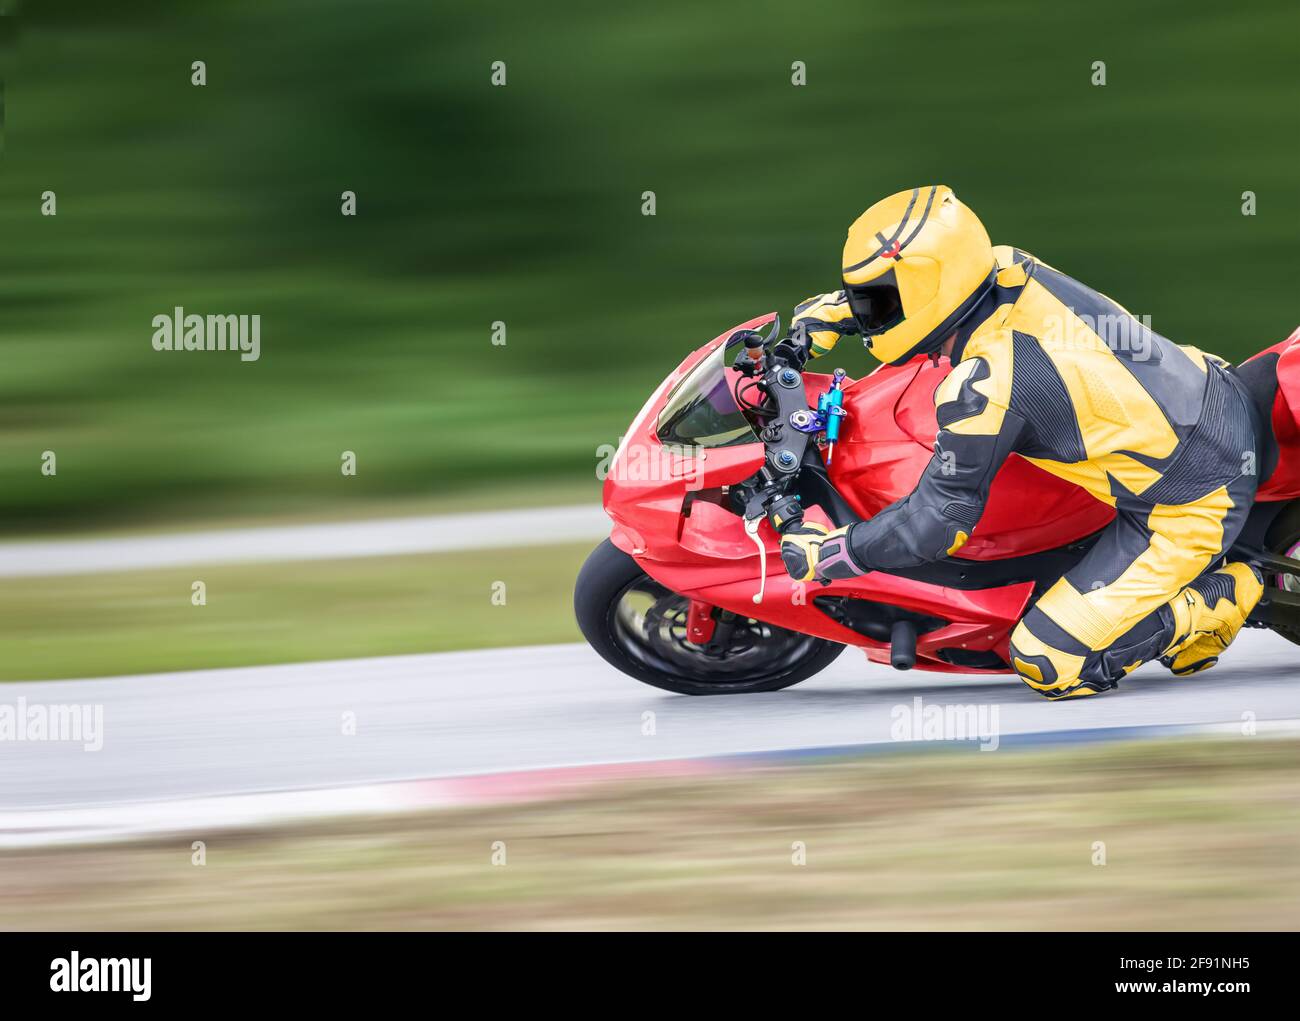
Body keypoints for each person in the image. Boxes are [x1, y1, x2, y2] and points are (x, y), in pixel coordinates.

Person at [780, 185, 1266, 699]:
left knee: (1046, 660)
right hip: (1202, 385)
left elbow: (938, 524)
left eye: (878, 301)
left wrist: (834, 554)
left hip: (1193, 497)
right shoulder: (1005, 267)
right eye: (866, 299)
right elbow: (933, 299)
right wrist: (836, 315)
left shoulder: (988, 384)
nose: (871, 311)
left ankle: (1225, 599)